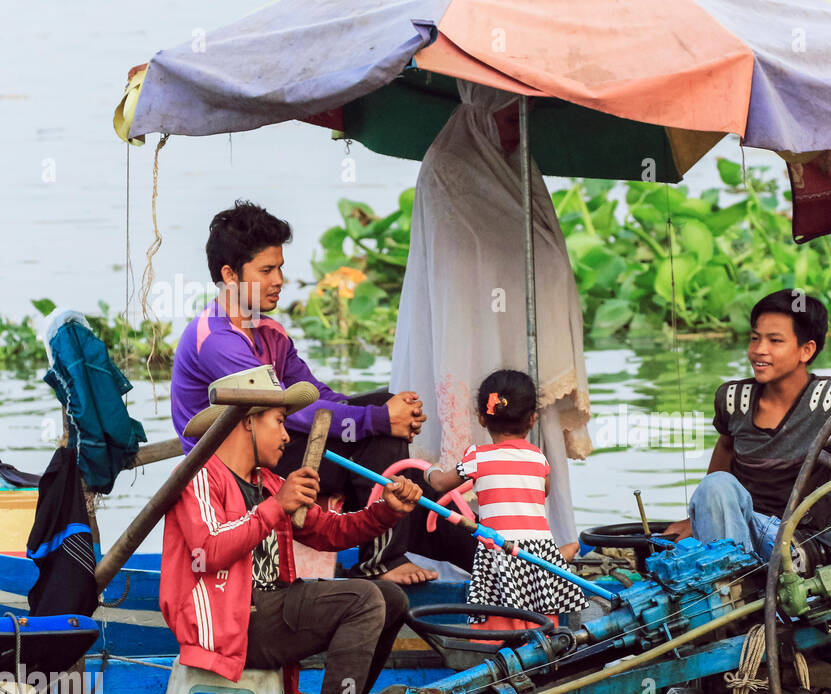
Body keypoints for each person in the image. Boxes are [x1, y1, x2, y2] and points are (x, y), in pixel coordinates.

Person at [170, 200, 473, 585]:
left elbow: (314, 395)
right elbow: (287, 412)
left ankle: (493, 560)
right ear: (230, 275)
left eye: (279, 267)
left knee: (390, 432)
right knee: (379, 425)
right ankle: (381, 562)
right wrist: (378, 418)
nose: (279, 279)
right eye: (266, 270)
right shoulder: (217, 341)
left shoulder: (269, 331)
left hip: (272, 447)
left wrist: (379, 410)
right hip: (233, 472)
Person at [391, 80, 591, 563]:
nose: (519, 133)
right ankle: (467, 559)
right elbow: (458, 269)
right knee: (478, 450)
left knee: (527, 441)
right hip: (468, 336)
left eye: (522, 120)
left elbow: (546, 251)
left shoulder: (521, 170)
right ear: (481, 116)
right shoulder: (446, 171)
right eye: (508, 120)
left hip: (524, 350)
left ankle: (547, 553)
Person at [160, 365, 424, 694]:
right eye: (280, 421)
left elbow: (330, 532)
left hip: (269, 610)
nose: (287, 436)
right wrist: (276, 507)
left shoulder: (267, 482)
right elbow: (208, 552)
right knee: (362, 600)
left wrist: (384, 512)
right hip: (230, 626)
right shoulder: (198, 475)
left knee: (392, 599)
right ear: (248, 422)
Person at [665, 289, 831, 558]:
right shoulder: (732, 400)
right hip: (742, 529)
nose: (758, 350)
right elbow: (726, 450)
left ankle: (729, 582)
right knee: (715, 486)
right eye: (755, 338)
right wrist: (695, 519)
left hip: (802, 539)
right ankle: (731, 578)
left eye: (775, 341)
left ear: (806, 350)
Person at [424, 370, 587, 632]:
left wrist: (429, 470)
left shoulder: (476, 457)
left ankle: (493, 653)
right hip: (538, 552)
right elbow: (542, 492)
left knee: (494, 616)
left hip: (499, 550)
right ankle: (544, 650)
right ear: (533, 419)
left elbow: (442, 484)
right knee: (541, 611)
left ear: (481, 417)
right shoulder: (539, 458)